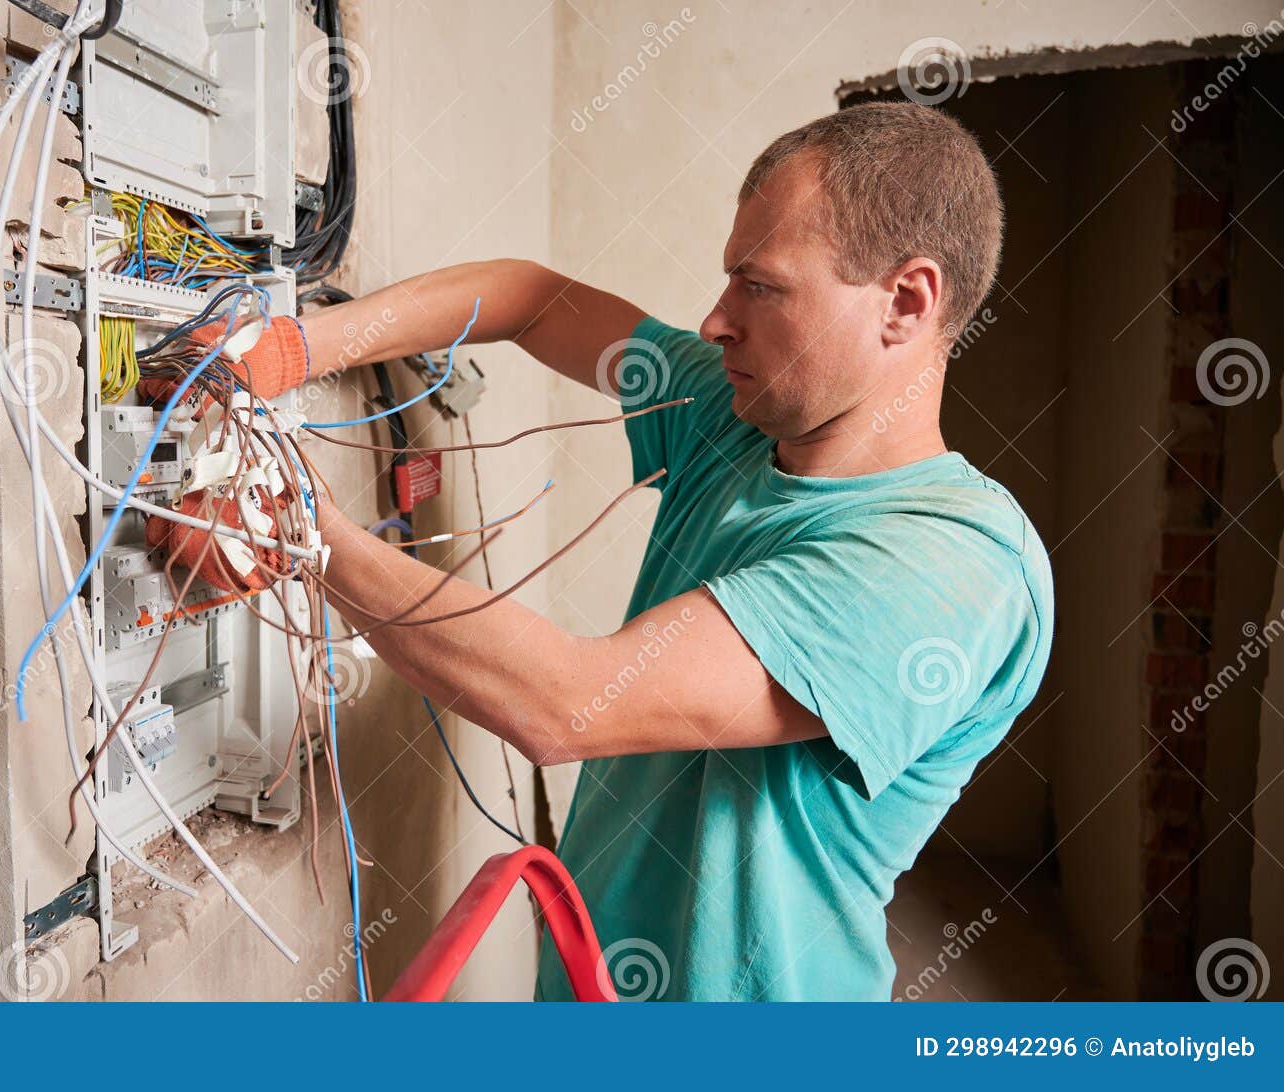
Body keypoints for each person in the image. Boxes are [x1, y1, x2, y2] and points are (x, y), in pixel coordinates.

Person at [212, 101, 1053, 1000]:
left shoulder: (951, 566)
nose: (716, 321)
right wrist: (288, 351)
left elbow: (565, 706)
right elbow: (532, 301)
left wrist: (296, 524)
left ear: (907, 302)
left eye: (760, 286)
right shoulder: (732, 418)